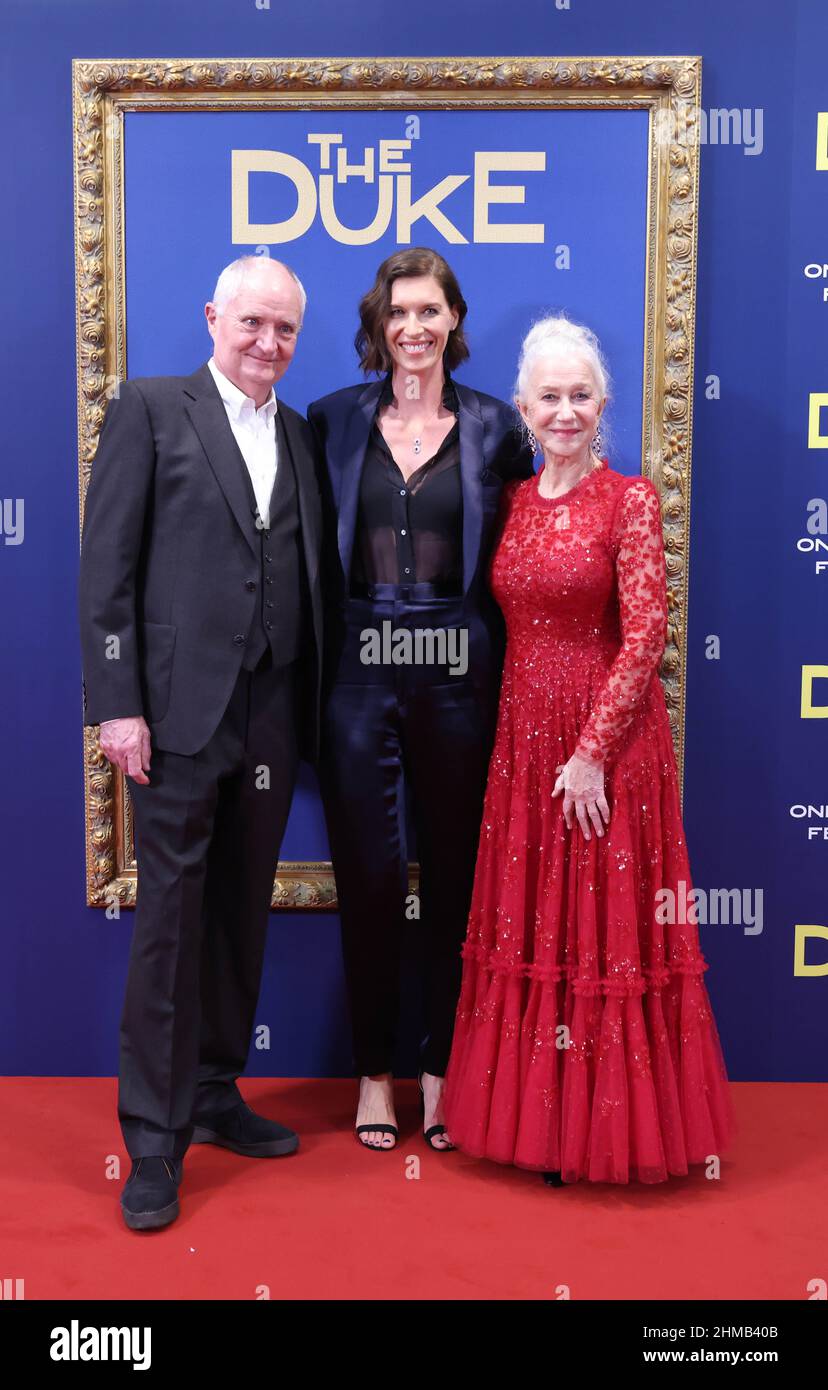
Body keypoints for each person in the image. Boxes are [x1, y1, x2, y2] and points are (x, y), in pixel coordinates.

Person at [443, 314, 735, 1183]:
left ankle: (600, 1135)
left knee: (603, 937)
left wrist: (591, 754)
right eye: (548, 397)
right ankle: (543, 1128)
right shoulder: (513, 503)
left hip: (603, 749)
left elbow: (646, 637)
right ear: (523, 409)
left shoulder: (630, 499)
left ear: (601, 404)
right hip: (522, 742)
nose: (564, 411)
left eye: (580, 396)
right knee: (538, 927)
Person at [78, 255, 322, 1228]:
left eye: (286, 331)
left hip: (270, 708)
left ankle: (216, 1091)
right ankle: (151, 1135)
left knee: (239, 910)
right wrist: (116, 703)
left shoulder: (299, 433)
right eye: (253, 323)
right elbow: (108, 575)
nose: (268, 343)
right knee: (171, 920)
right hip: (175, 710)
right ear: (214, 316)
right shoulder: (149, 407)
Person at [308, 248, 534, 1151]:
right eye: (399, 311)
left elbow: (529, 544)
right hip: (359, 671)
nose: (414, 327)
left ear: (453, 321)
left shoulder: (495, 428)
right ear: (378, 321)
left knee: (453, 880)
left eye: (430, 311)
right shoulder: (328, 421)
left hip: (458, 671)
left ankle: (439, 1073)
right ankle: (373, 1075)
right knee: (366, 878)